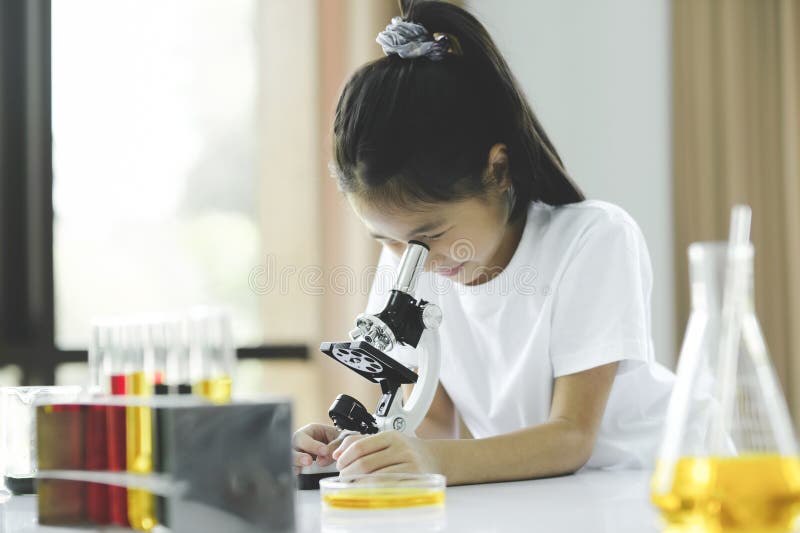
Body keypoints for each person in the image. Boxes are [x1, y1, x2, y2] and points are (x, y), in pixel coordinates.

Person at [292, 0, 674, 485]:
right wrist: (359, 453)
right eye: (386, 240)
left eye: (430, 236)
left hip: (656, 482)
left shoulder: (593, 241)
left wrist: (430, 461)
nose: (412, 261)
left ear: (497, 171)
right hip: (553, 497)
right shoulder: (412, 263)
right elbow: (429, 424)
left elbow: (570, 437)